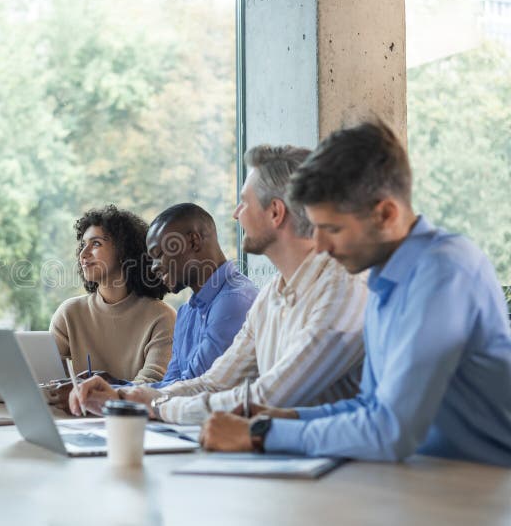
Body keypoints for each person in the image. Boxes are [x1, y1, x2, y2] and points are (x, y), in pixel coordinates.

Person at [200, 120, 511, 467]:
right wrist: (280, 419)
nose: (319, 245)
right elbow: (371, 406)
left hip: (486, 487)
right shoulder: (383, 275)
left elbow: (390, 431)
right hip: (425, 479)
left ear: (386, 214)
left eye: (332, 229)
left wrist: (261, 435)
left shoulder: (444, 273)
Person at [70, 145, 367, 421]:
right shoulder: (270, 297)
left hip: (331, 471)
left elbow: (269, 396)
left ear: (275, 212)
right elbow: (214, 382)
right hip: (281, 459)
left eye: (244, 203)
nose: (237, 215)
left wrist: (157, 406)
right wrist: (125, 396)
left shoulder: (342, 289)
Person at [49, 205, 175, 383]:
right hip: (73, 411)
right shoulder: (69, 313)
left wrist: (102, 393)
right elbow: (47, 380)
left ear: (124, 251)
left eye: (96, 244)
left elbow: (151, 383)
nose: (83, 254)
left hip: (130, 411)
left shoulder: (162, 318)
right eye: (83, 245)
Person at [143, 203, 258, 388]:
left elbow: (195, 386)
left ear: (194, 241)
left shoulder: (235, 301)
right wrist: (112, 388)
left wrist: (116, 394)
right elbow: (172, 385)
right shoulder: (186, 312)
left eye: (158, 254)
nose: (154, 266)